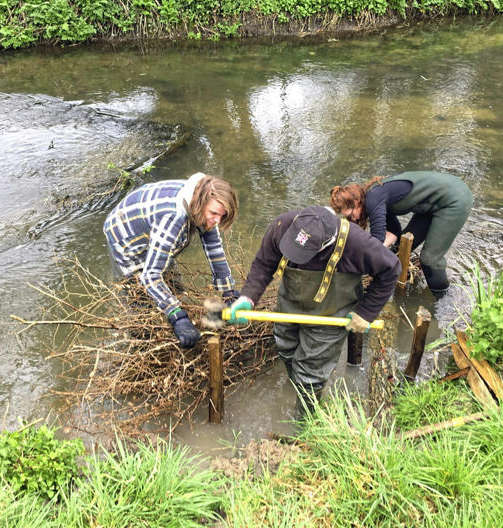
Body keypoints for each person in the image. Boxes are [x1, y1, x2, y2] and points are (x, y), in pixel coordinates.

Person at [227, 206, 400, 415]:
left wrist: (366, 312)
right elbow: (264, 264)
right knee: (285, 347)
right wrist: (248, 297)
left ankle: (305, 420)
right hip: (289, 305)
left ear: (326, 243)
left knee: (311, 371)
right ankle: (296, 387)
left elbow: (391, 270)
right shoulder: (282, 226)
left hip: (331, 313)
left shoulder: (358, 244)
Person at [103, 173, 239, 349]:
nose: (217, 220)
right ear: (199, 204)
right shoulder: (173, 218)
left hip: (155, 227)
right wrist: (177, 316)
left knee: (175, 288)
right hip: (125, 238)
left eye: (222, 215)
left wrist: (228, 291)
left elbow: (214, 248)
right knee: (141, 305)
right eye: (214, 214)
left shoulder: (205, 202)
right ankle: (144, 344)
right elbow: (151, 275)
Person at [329, 171, 472, 298]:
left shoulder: (373, 198)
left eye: (351, 214)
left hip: (454, 199)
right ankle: (396, 287)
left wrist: (353, 267)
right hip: (430, 205)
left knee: (429, 259)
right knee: (400, 248)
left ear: (356, 202)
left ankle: (444, 298)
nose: (353, 219)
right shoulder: (375, 198)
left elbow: (376, 242)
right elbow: (394, 232)